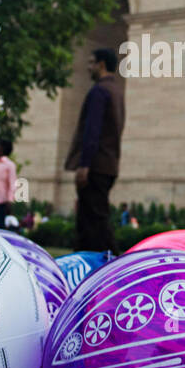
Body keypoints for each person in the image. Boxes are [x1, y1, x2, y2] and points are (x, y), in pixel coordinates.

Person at [65, 48, 125, 253]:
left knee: (90, 223)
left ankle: (108, 267)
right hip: (108, 164)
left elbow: (92, 130)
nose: (87, 67)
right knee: (97, 219)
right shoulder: (116, 92)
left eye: (91, 62)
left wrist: (85, 164)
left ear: (101, 65)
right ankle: (107, 264)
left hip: (95, 165)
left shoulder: (100, 91)